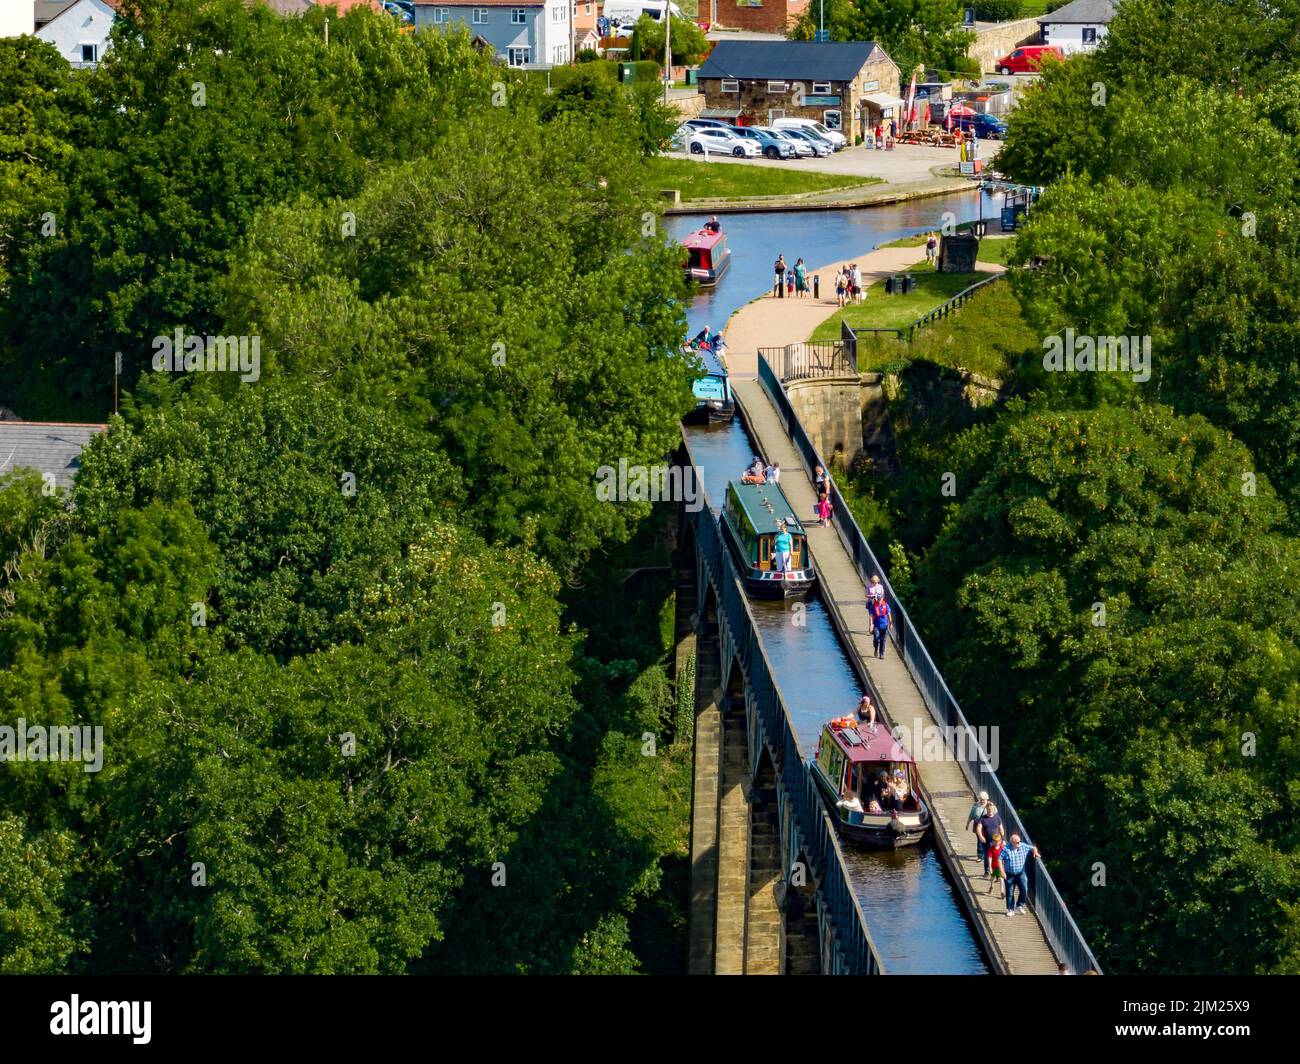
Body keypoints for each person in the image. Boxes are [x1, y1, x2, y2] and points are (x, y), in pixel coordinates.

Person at [1000, 832, 1040, 917]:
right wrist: (1002, 871)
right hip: (1009, 874)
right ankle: (1010, 909)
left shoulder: (1023, 846)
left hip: (1021, 873)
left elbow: (1033, 847)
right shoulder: (1006, 849)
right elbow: (999, 859)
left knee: (1024, 889)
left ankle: (1020, 905)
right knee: (1010, 892)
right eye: (1017, 842)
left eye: (1019, 841)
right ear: (1012, 842)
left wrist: (1035, 852)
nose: (1019, 843)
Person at [977, 802, 1005, 876]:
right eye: (988, 809)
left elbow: (1001, 828)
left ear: (993, 809)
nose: (990, 810)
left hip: (997, 841)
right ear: (986, 809)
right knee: (987, 856)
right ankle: (986, 871)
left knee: (998, 856)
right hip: (986, 841)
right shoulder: (983, 818)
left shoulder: (997, 817)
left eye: (991, 809)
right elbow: (978, 828)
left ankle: (998, 871)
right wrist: (980, 836)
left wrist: (1003, 839)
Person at [966, 789, 990, 859]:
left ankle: (987, 853)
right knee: (979, 839)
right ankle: (980, 855)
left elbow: (995, 815)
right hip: (977, 825)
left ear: (986, 799)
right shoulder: (976, 805)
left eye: (983, 800)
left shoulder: (990, 805)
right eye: (981, 799)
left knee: (987, 839)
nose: (982, 801)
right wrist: (967, 823)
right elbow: (971, 814)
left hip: (986, 825)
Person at [986, 832, 1005, 898]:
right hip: (994, 866)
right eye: (995, 841)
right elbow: (989, 858)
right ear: (993, 841)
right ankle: (991, 886)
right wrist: (990, 867)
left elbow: (1004, 857)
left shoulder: (1002, 848)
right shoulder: (991, 849)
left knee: (1001, 878)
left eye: (998, 841)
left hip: (1000, 867)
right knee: (992, 878)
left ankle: (1002, 892)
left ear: (1000, 841)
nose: (997, 842)